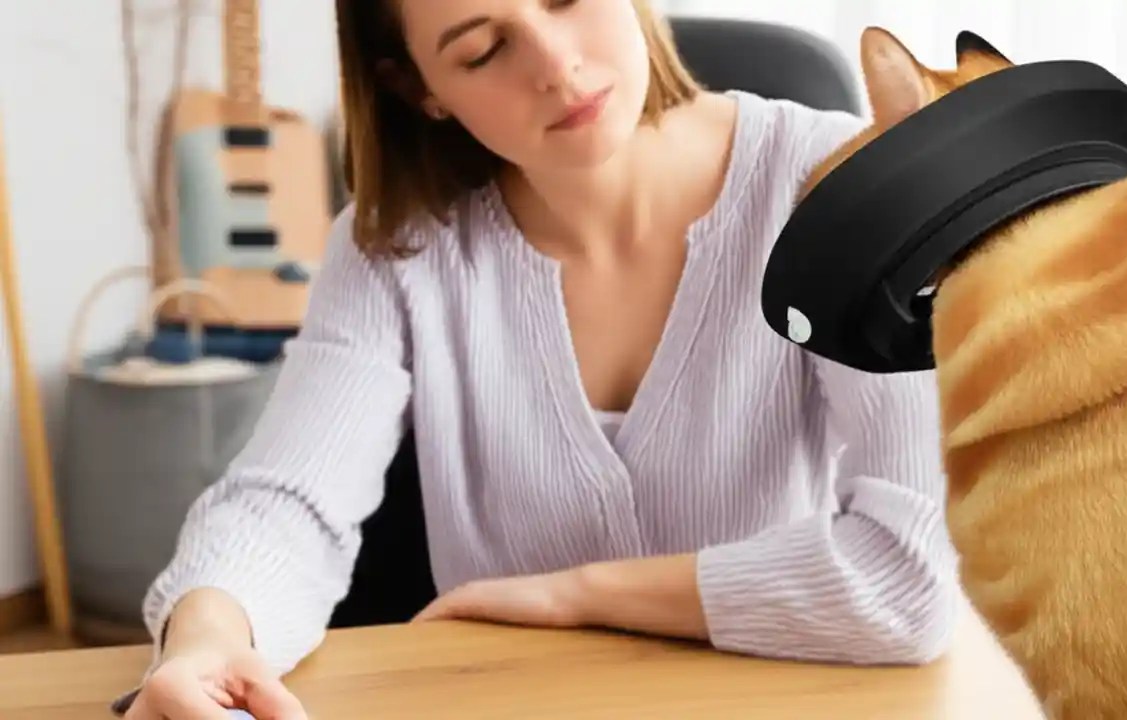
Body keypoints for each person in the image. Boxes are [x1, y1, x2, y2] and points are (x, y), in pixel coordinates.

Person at [116, 0, 959, 717]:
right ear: (422, 92)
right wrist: (207, 637)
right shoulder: (394, 251)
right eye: (484, 50)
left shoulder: (842, 181)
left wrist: (573, 596)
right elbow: (287, 504)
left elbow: (911, 572)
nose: (556, 65)